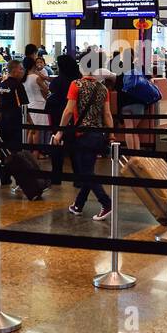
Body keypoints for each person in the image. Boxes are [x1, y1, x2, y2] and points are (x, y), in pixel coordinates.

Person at [53, 63, 113, 220]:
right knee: (88, 170)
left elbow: (68, 110)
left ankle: (106, 203)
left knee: (86, 172)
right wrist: (111, 134)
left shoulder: (76, 84)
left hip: (83, 135)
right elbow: (107, 114)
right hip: (98, 135)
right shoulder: (103, 88)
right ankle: (78, 205)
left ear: (81, 70)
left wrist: (60, 131)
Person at [45, 54, 81, 187]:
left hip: (58, 116)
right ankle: (78, 178)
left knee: (57, 146)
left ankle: (56, 176)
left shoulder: (58, 81)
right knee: (74, 149)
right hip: (75, 118)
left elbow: (51, 92)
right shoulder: (78, 79)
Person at [0, 60, 28, 190]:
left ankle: (3, 177)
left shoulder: (2, 85)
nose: (23, 71)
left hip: (4, 122)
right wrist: (30, 123)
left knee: (3, 150)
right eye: (21, 69)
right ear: (14, 70)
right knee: (16, 151)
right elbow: (23, 106)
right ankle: (20, 180)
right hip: (15, 123)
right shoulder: (18, 86)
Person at [23, 55, 50, 146]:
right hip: (39, 104)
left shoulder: (24, 77)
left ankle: (28, 151)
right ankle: (36, 153)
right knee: (37, 131)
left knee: (31, 129)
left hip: (29, 104)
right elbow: (46, 90)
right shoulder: (36, 78)